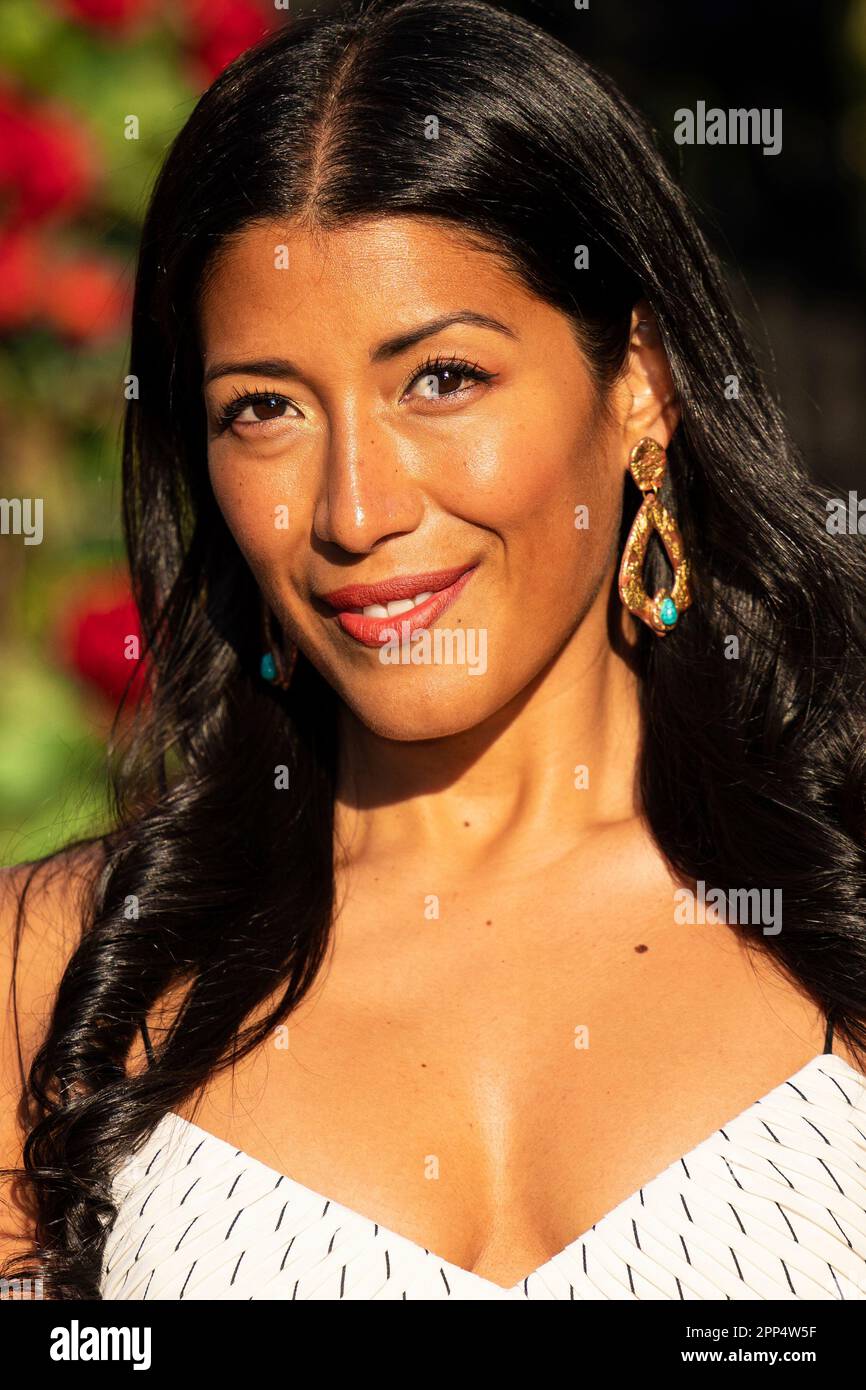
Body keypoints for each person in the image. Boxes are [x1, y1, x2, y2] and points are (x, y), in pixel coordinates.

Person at [3, 0, 866, 1302]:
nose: (357, 509)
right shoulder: (53, 969)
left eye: (441, 379)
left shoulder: (841, 897)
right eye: (265, 409)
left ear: (637, 385)